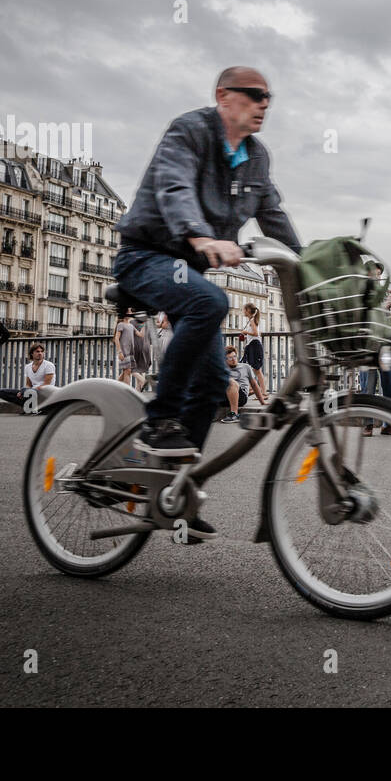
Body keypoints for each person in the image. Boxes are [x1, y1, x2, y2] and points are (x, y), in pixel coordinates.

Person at [113, 65, 302, 541]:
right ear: (223, 95)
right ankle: (160, 422)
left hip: (190, 271)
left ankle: (178, 489)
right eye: (254, 95)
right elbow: (174, 185)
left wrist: (308, 268)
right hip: (147, 255)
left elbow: (274, 217)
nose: (263, 104)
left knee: (216, 377)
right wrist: (197, 234)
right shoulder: (189, 131)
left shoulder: (256, 158)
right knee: (212, 302)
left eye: (268, 98)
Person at [358, 264, 391, 437]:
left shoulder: (384, 293)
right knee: (367, 388)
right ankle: (367, 425)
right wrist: (385, 305)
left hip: (385, 346)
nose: (377, 277)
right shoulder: (361, 294)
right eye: (373, 274)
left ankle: (389, 425)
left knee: (390, 387)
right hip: (368, 346)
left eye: (378, 274)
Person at [0, 342, 56, 413]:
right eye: (37, 351)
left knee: (26, 390)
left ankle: (35, 406)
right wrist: (24, 391)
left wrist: (24, 391)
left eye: (41, 351)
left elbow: (46, 385)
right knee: (2, 392)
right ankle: (32, 407)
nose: (40, 353)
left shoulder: (49, 365)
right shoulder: (28, 367)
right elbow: (28, 384)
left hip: (45, 393)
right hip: (32, 393)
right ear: (32, 353)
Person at [239, 302, 269, 407]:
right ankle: (257, 390)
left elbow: (256, 334)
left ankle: (263, 392)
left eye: (244, 310)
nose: (243, 311)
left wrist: (246, 332)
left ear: (248, 310)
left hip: (255, 346)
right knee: (254, 369)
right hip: (253, 346)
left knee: (257, 370)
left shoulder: (252, 321)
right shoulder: (251, 320)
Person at [221, 346, 253, 423]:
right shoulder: (222, 369)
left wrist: (262, 401)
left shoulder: (245, 367)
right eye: (230, 358)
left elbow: (254, 384)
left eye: (234, 356)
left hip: (241, 398)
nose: (234, 359)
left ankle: (234, 414)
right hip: (225, 397)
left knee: (231, 381)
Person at [114, 309, 139, 389]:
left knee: (126, 371)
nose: (131, 313)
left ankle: (113, 387)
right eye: (129, 312)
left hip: (130, 352)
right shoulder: (121, 324)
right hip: (124, 352)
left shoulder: (131, 325)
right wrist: (119, 352)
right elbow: (116, 338)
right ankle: (127, 392)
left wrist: (145, 323)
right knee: (127, 371)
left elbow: (140, 334)